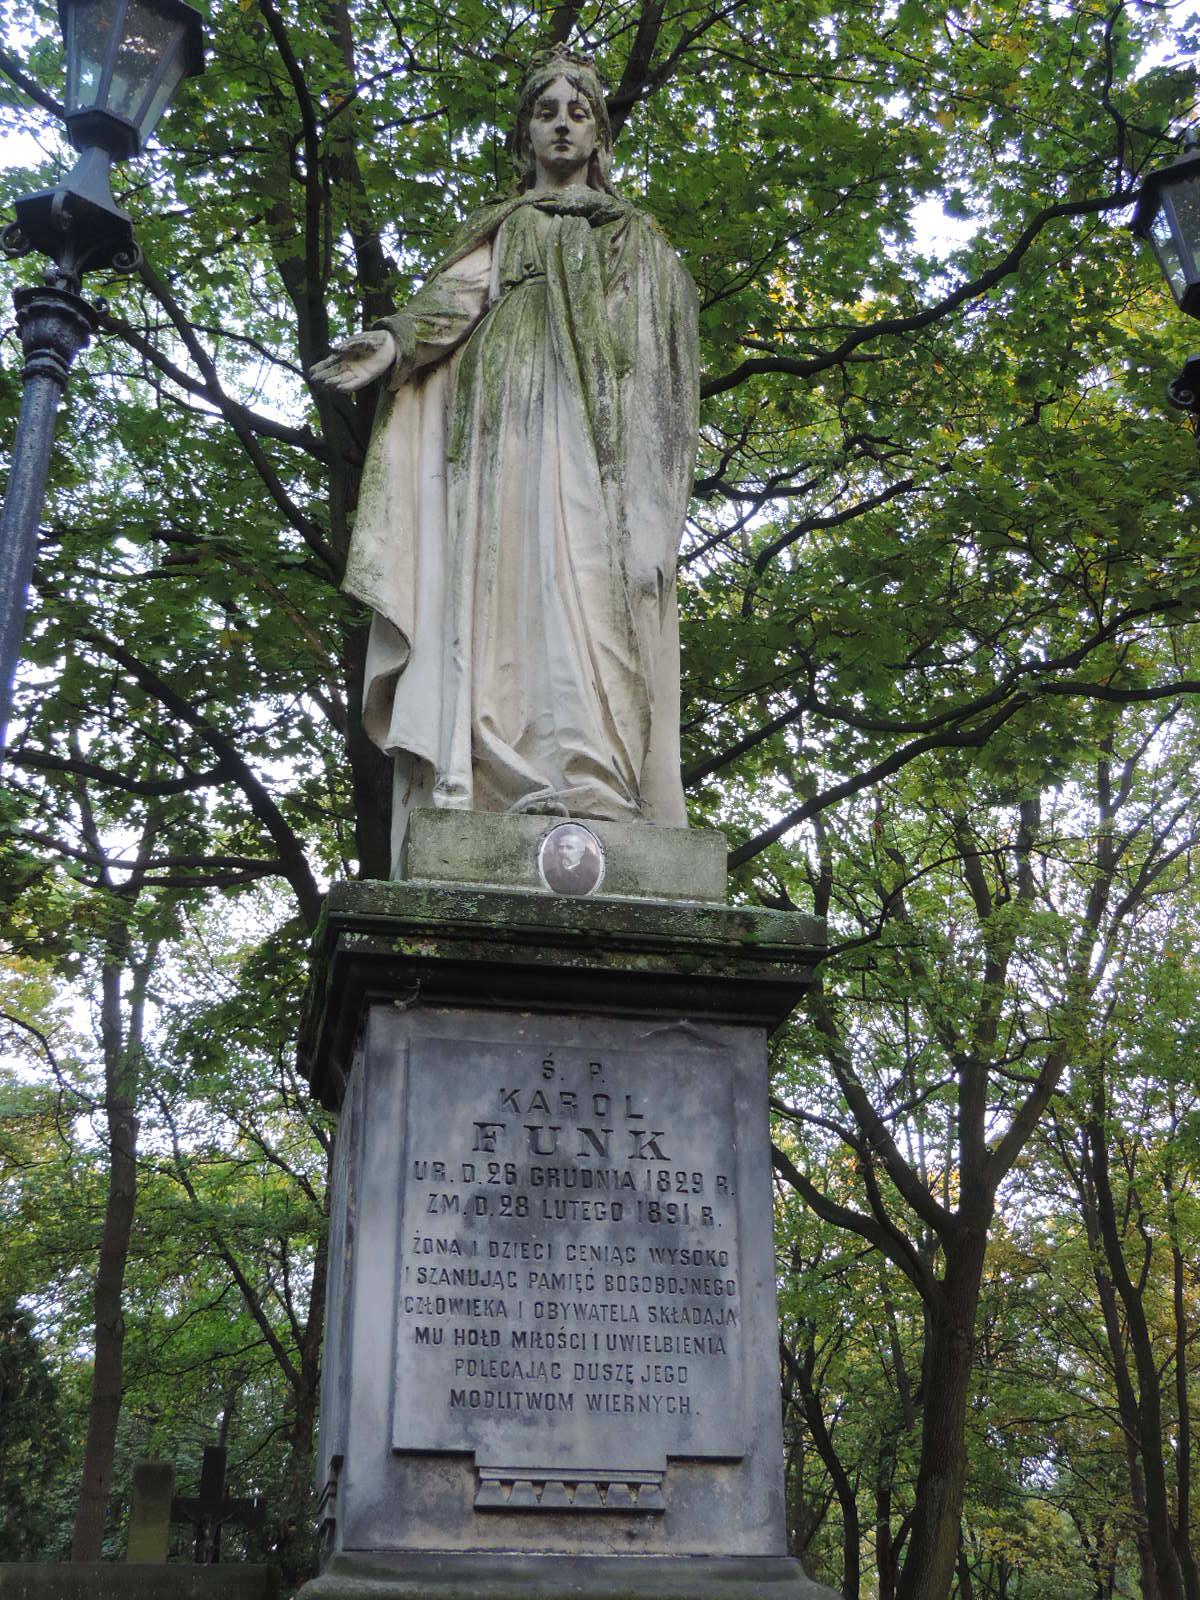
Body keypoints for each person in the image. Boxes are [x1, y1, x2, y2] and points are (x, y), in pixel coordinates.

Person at [311, 46, 699, 869]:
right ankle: (493, 762)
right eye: (545, 112)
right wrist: (389, 342)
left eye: (577, 111)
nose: (561, 124)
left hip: (602, 436)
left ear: (599, 134)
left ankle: (598, 777)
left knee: (597, 588)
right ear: (525, 133)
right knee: (506, 586)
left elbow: (665, 367)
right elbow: (448, 305)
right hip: (506, 422)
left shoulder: (637, 237)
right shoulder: (509, 226)